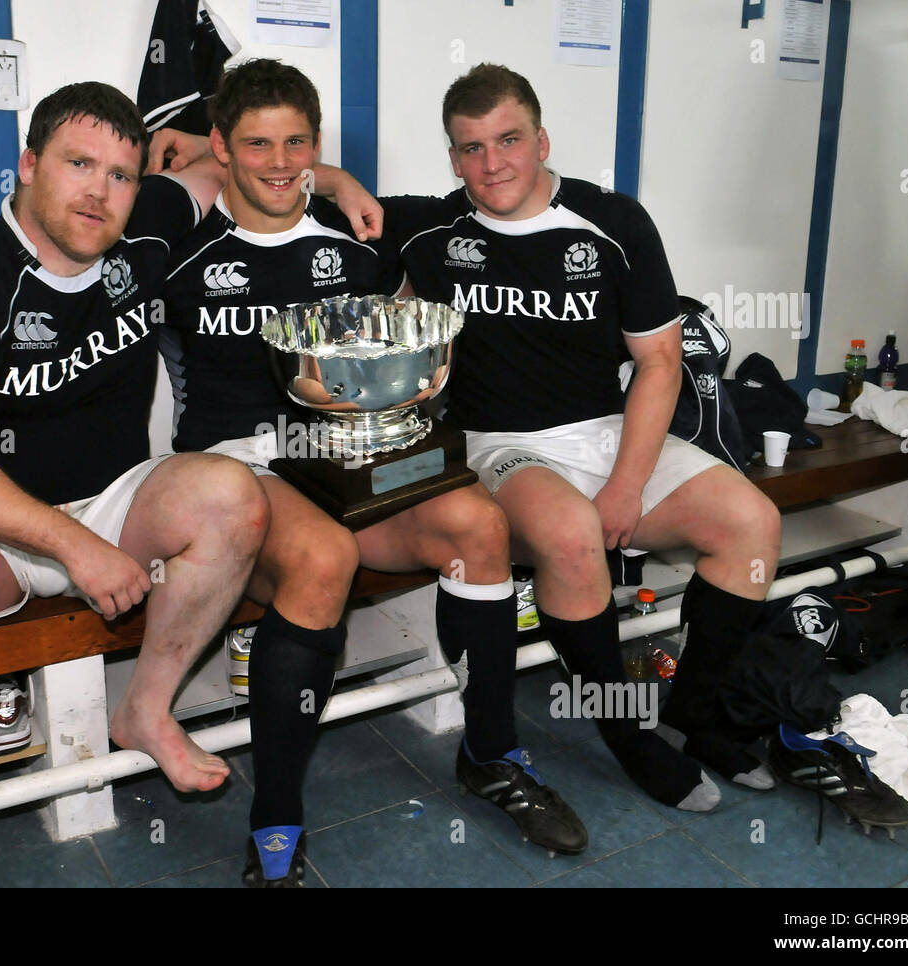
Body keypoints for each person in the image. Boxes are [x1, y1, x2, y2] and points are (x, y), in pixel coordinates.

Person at [154, 59, 586, 887]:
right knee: (324, 557)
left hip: (350, 457)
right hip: (238, 468)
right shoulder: (178, 242)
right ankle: (275, 813)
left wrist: (424, 387)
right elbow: (87, 240)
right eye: (256, 144)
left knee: (478, 524)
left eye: (297, 142)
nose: (279, 163)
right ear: (221, 146)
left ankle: (491, 754)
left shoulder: (355, 234)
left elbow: (415, 323)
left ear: (317, 145)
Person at [0, 82, 279, 888]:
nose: (100, 191)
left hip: (115, 502)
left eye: (121, 174)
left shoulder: (141, 239)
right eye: (79, 164)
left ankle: (146, 707)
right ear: (29, 166)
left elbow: (247, 169)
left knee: (232, 495)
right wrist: (71, 545)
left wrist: (342, 183)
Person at [379, 64, 783, 809]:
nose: (491, 163)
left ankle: (690, 718)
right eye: (469, 148)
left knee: (752, 522)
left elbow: (660, 362)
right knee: (570, 535)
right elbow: (297, 179)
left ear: (541, 139)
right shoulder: (431, 229)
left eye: (508, 140)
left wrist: (627, 484)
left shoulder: (614, 223)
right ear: (452, 157)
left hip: (606, 432)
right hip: (499, 443)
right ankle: (629, 735)